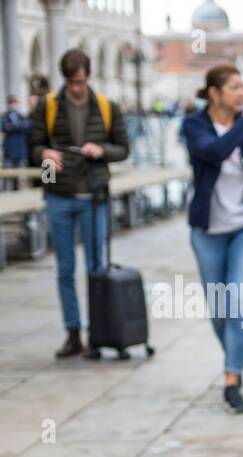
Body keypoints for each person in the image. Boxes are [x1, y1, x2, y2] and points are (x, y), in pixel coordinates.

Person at [182, 63, 243, 414]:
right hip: (208, 230)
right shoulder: (194, 124)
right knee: (220, 307)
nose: (242, 94)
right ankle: (233, 355)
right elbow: (213, 151)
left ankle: (232, 376)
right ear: (214, 93)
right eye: (234, 88)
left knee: (239, 299)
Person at [30, 49, 129, 358]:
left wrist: (101, 150)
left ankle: (99, 333)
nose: (77, 87)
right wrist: (45, 155)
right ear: (65, 79)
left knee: (95, 268)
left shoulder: (106, 106)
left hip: (94, 196)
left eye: (81, 81)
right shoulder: (47, 106)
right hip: (58, 194)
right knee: (65, 269)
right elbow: (33, 147)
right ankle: (73, 333)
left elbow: (124, 149)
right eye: (72, 82)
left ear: (89, 77)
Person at [2, 94, 31, 191]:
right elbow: (5, 127)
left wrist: (13, 126)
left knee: (20, 175)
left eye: (15, 101)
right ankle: (6, 193)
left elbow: (27, 126)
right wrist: (18, 126)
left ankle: (18, 192)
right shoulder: (4, 116)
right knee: (7, 174)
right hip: (9, 150)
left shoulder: (21, 116)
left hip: (20, 150)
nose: (14, 104)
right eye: (12, 102)